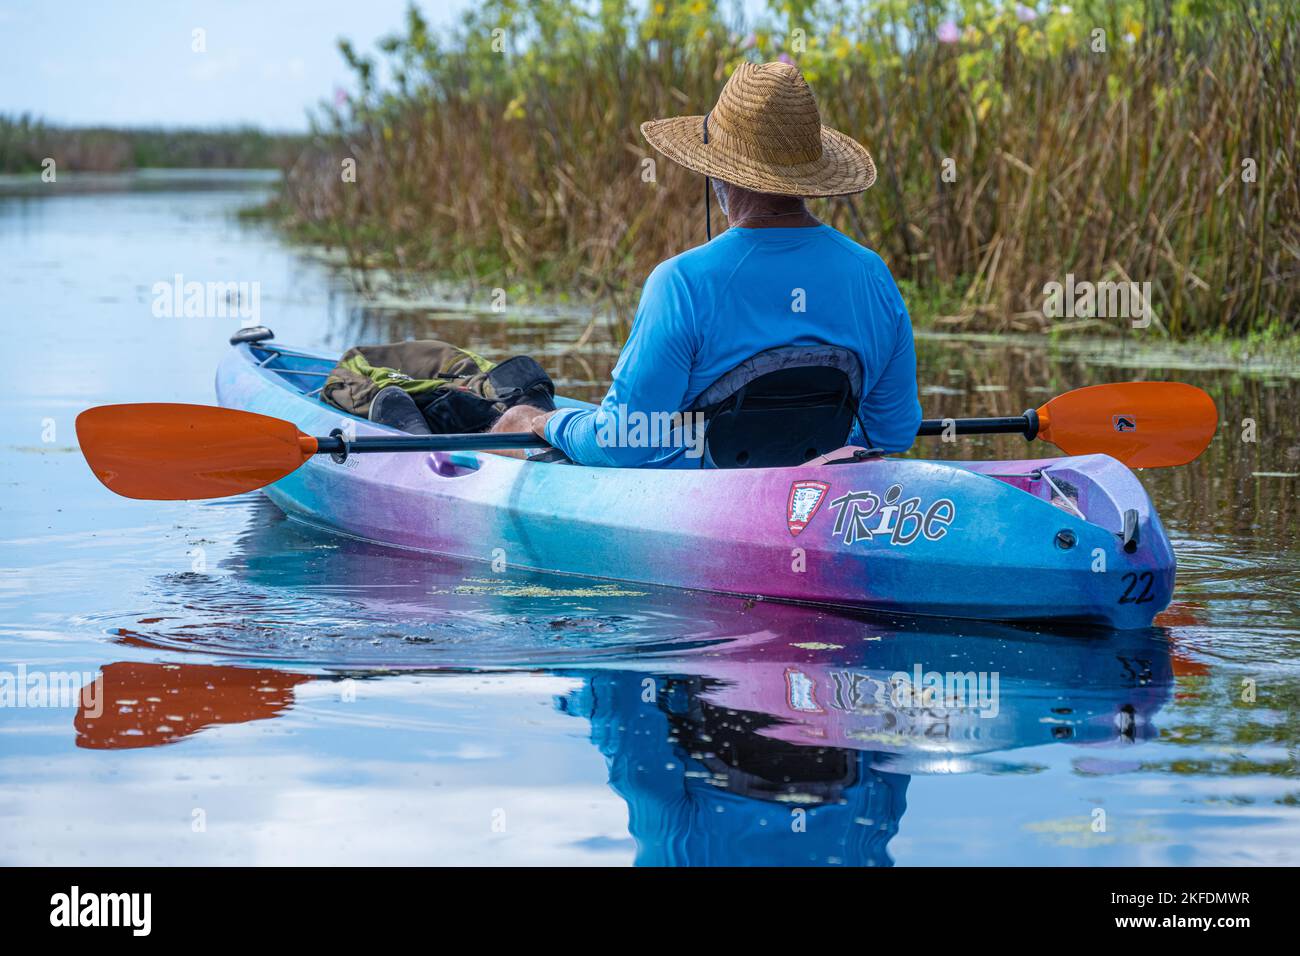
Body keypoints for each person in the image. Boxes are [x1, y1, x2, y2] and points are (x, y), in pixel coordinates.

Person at [493, 59, 922, 466]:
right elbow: (893, 432)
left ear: (717, 171)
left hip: (696, 500)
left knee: (521, 414)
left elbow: (621, 444)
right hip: (814, 499)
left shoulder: (681, 282)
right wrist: (799, 445)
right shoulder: (872, 275)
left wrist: (544, 422)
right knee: (565, 408)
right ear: (808, 177)